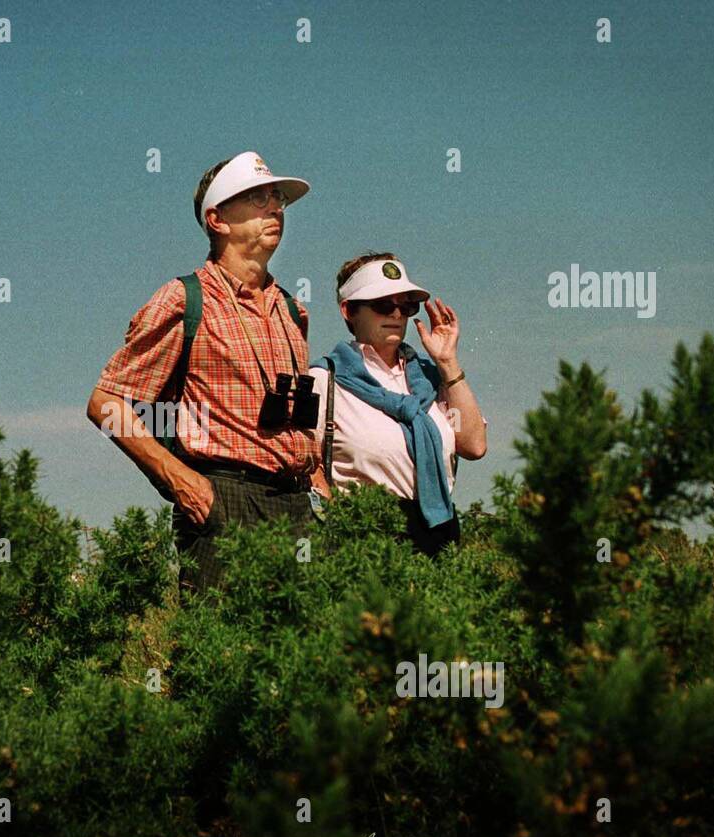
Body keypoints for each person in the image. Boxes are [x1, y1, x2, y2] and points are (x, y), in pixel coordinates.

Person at [86, 151, 329, 594]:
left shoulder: (294, 310)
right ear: (217, 219)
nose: (275, 207)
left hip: (297, 505)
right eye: (257, 198)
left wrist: (318, 483)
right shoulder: (184, 299)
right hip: (226, 499)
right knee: (221, 656)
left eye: (276, 197)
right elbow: (106, 403)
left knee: (304, 656)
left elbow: (297, 413)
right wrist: (179, 478)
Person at [308, 253, 487, 556]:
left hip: (438, 533)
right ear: (349, 310)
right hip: (365, 534)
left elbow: (474, 445)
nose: (396, 314)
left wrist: (447, 362)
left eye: (406, 306)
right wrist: (335, 522)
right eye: (382, 305)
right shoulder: (325, 380)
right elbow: (305, 461)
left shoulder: (431, 380)